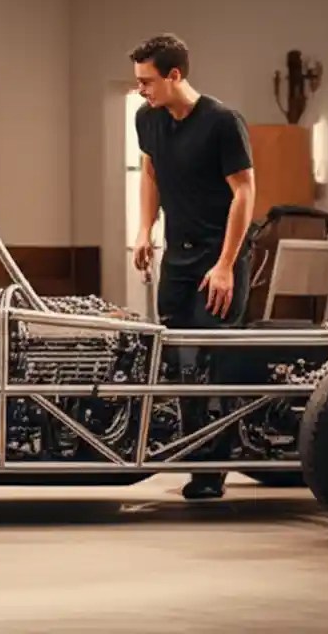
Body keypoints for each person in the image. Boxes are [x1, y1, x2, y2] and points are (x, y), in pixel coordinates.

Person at [129, 33, 256, 500]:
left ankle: (212, 469)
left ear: (175, 75)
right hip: (177, 258)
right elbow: (151, 173)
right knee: (181, 361)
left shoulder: (223, 122)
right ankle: (196, 455)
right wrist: (145, 230)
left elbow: (244, 192)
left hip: (218, 257)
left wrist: (225, 264)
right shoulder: (148, 120)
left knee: (212, 361)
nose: (141, 90)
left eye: (147, 81)